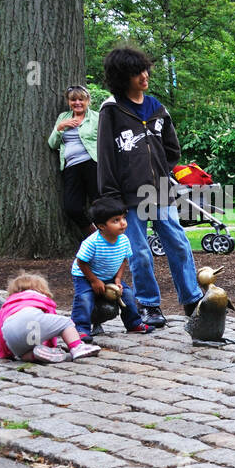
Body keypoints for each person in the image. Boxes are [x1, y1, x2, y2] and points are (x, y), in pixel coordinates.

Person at [97, 44, 202, 328]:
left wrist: (159, 171)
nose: (143, 76)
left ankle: (193, 301)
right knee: (140, 252)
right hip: (127, 196)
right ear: (122, 77)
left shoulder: (157, 108)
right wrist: (112, 197)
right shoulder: (112, 111)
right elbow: (105, 158)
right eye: (135, 73)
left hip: (160, 191)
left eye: (144, 69)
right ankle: (149, 305)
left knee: (179, 244)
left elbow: (172, 149)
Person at [71, 196, 152, 342]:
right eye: (116, 220)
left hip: (109, 275)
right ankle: (80, 329)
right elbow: (81, 262)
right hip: (85, 275)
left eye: (123, 218)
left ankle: (133, 323)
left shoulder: (124, 240)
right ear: (102, 226)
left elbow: (123, 259)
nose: (123, 223)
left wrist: (118, 279)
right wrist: (94, 281)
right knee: (84, 298)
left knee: (127, 294)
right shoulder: (92, 242)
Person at [0, 272, 98, 363]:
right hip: (32, 321)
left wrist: (4, 354)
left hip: (10, 333)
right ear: (41, 289)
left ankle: (34, 355)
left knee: (23, 354)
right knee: (65, 323)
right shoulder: (41, 298)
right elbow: (52, 321)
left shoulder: (7, 304)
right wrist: (51, 346)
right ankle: (77, 347)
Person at [47, 85, 99, 237]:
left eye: (81, 99)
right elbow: (52, 144)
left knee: (100, 204)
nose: (77, 102)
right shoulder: (63, 117)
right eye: (73, 100)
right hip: (71, 168)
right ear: (68, 101)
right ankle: (94, 237)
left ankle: (111, 240)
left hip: (92, 164)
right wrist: (60, 127)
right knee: (72, 208)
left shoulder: (96, 117)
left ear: (87, 101)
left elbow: (107, 141)